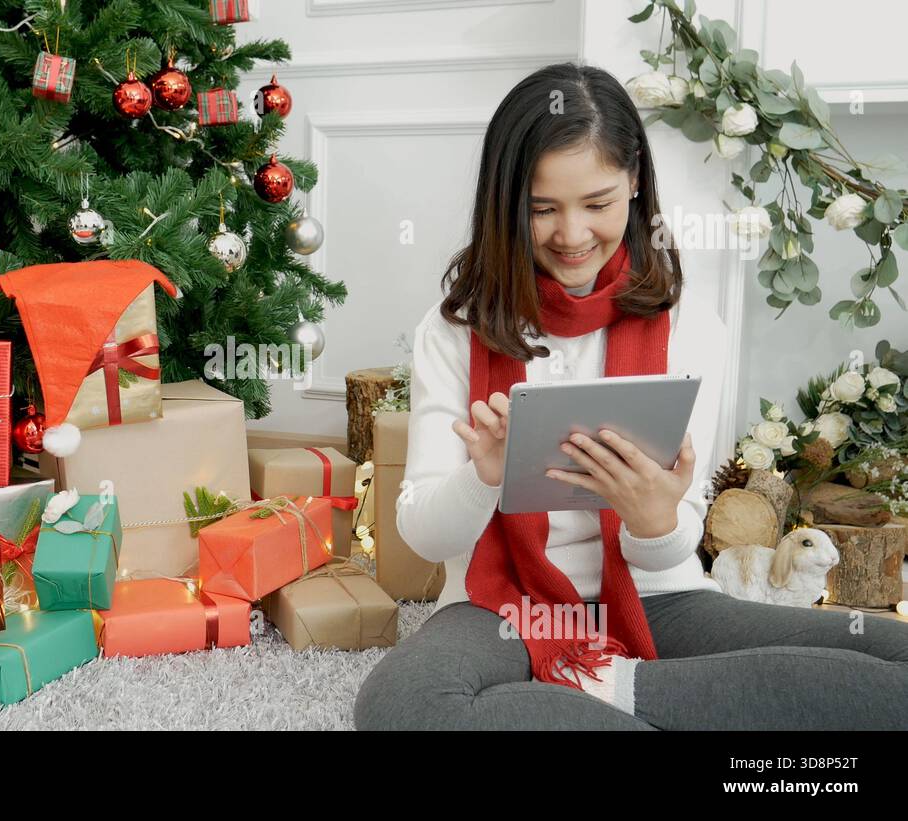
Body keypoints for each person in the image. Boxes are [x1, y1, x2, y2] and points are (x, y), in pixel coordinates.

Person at [353, 62, 908, 731]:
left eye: (598, 203)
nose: (573, 234)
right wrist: (483, 477)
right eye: (542, 208)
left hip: (656, 599)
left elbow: (675, 548)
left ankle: (613, 687)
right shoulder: (455, 330)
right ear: (505, 203)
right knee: (402, 703)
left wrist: (654, 519)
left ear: (636, 183)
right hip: (495, 611)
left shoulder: (688, 324)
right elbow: (422, 533)